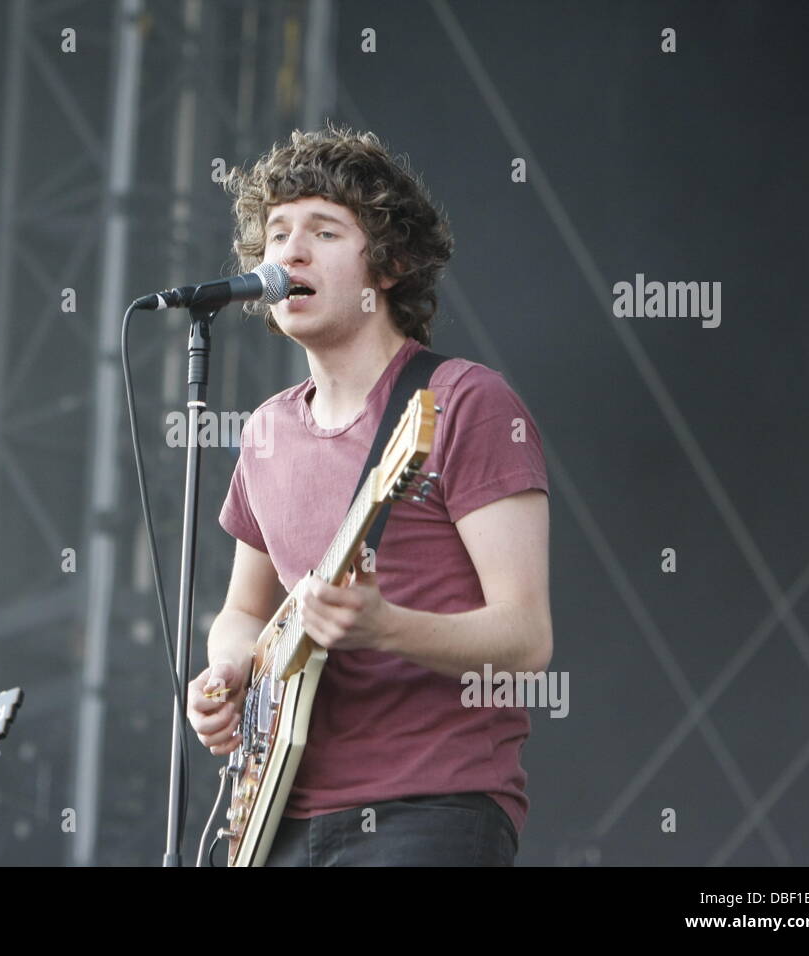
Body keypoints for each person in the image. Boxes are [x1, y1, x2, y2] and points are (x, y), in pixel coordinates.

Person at [186, 125, 552, 866]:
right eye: (278, 233)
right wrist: (229, 673)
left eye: (324, 232)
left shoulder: (466, 402)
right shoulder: (264, 430)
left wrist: (386, 627)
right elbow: (243, 611)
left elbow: (526, 639)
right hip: (277, 813)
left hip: (431, 804)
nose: (289, 254)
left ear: (387, 265)